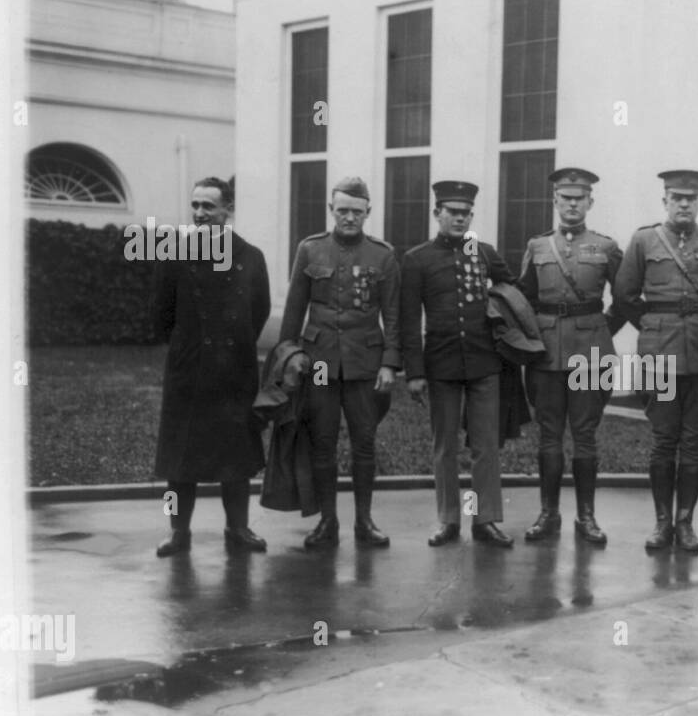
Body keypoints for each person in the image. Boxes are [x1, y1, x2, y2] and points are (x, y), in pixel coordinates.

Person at [278, 176, 401, 549]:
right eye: (343, 210)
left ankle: (364, 521)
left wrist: (389, 364)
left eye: (357, 211)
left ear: (368, 212)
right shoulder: (310, 250)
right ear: (331, 210)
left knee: (364, 443)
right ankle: (328, 522)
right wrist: (290, 352)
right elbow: (294, 309)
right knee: (322, 442)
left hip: (365, 362)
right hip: (319, 363)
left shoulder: (383, 255)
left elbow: (393, 316)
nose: (350, 218)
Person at [614, 170, 698, 553]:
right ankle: (662, 522)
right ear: (664, 200)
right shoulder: (644, 240)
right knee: (664, 441)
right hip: (659, 358)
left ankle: (686, 524)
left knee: (694, 441)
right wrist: (653, 325)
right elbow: (626, 294)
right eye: (676, 197)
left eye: (690, 198)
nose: (683, 204)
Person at [152, 177, 270, 556]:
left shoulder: (251, 257)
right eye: (195, 205)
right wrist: (190, 346)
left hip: (234, 372)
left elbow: (259, 310)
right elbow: (161, 314)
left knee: (235, 458)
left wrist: (231, 346)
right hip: (189, 371)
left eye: (208, 206)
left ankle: (239, 529)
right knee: (177, 459)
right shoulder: (174, 254)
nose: (200, 213)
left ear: (227, 210)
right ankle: (177, 532)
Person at [402, 180, 515, 548]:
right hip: (441, 364)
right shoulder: (417, 259)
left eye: (466, 213)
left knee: (485, 445)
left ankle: (485, 521)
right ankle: (448, 519)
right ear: (437, 213)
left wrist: (503, 325)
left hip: (484, 362)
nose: (459, 218)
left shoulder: (485, 253)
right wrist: (415, 373)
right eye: (452, 212)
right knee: (445, 445)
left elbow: (512, 294)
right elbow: (407, 321)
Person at [517, 168, 625, 545]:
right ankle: (548, 514)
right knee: (549, 434)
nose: (572, 205)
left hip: (591, 354)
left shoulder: (605, 247)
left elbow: (626, 297)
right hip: (546, 354)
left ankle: (586, 516)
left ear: (590, 202)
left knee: (584, 435)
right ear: (556, 201)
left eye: (579, 198)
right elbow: (524, 299)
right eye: (566, 198)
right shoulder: (538, 247)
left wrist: (601, 327)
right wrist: (533, 339)